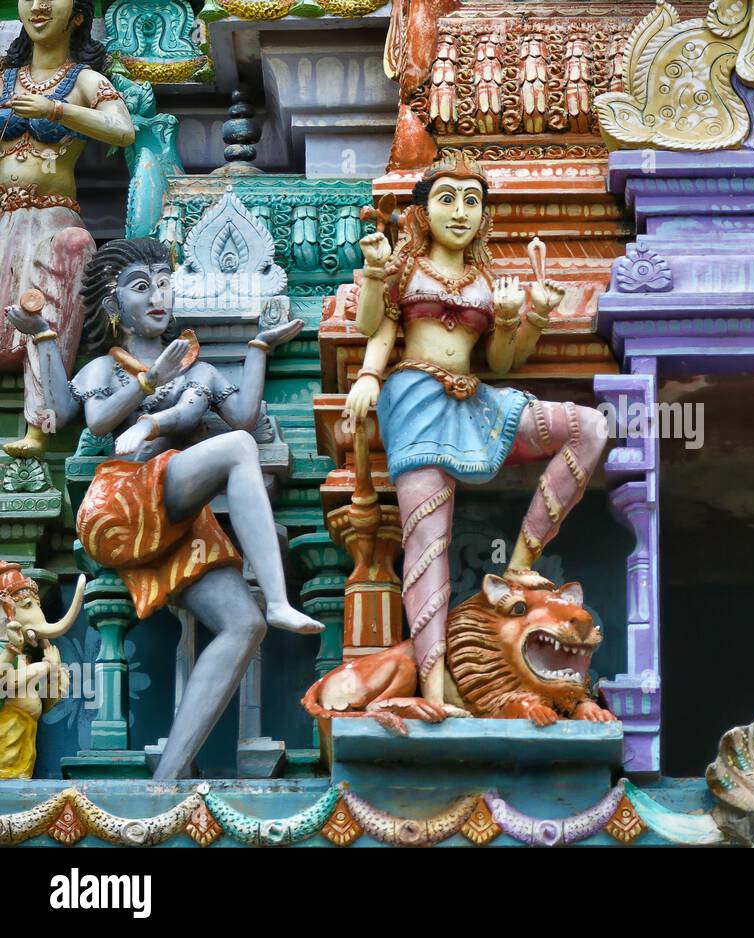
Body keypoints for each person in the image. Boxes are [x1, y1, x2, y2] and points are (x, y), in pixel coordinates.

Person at [6, 237, 322, 778]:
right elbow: (86, 417)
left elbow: (244, 414)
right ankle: (276, 597)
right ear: (114, 306)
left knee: (242, 626)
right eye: (141, 286)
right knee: (237, 450)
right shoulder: (110, 366)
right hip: (122, 504)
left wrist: (261, 348)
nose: (159, 296)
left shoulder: (196, 369)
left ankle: (165, 780)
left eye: (164, 282)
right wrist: (44, 341)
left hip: (175, 522)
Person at [343, 154, 608, 707]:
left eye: (471, 201)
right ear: (422, 211)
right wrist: (369, 372)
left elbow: (505, 362)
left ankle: (520, 566)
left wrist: (526, 315)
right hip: (415, 400)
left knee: (590, 425)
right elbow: (373, 326)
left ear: (484, 215)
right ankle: (437, 691)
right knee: (427, 542)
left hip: (476, 401)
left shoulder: (487, 280)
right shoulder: (404, 270)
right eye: (447, 199)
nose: (460, 212)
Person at [0, 0, 134, 458]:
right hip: (3, 221)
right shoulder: (2, 76)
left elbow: (122, 129)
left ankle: (39, 426)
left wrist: (57, 111)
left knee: (74, 249)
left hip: (53, 220)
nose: (38, 6)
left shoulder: (83, 81)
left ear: (77, 15)